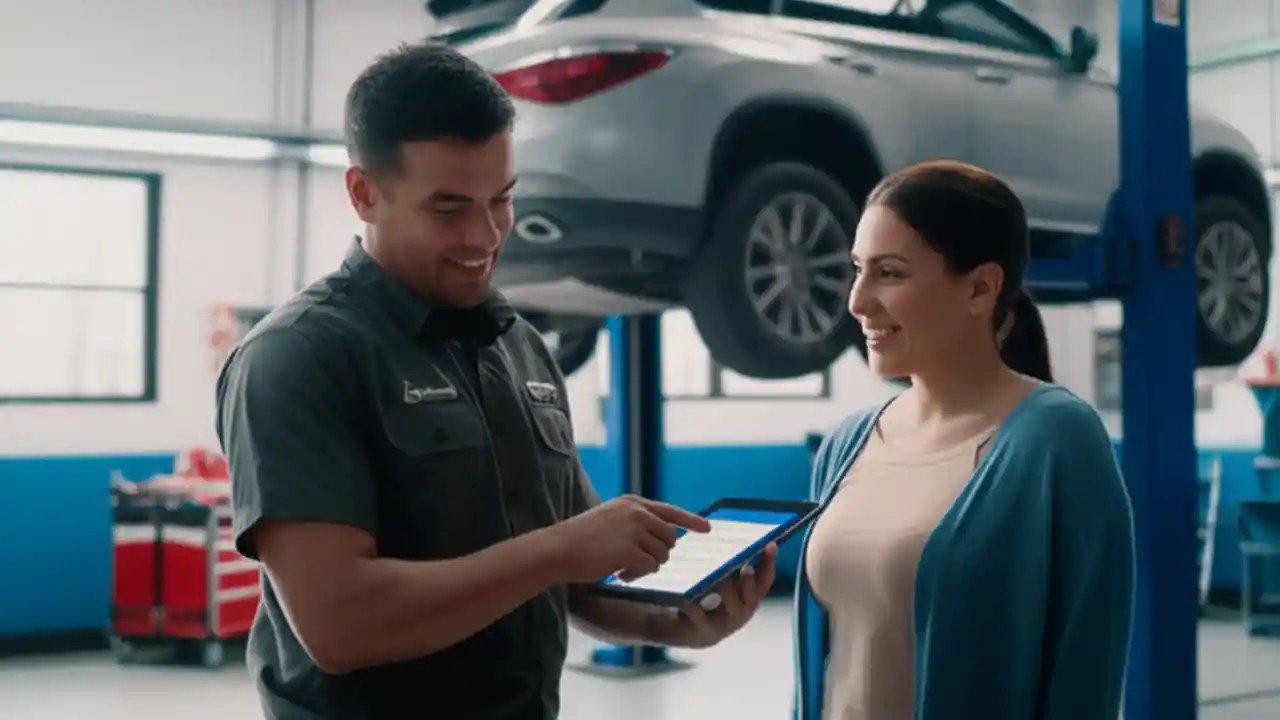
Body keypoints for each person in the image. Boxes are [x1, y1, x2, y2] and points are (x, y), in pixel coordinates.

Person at [215, 41, 774, 720]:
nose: (485, 236)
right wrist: (559, 549)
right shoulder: (297, 358)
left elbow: (577, 582)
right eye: (449, 209)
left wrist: (679, 620)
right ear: (364, 194)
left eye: (502, 199)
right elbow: (339, 624)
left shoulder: (518, 348)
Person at [791, 160, 1136, 720]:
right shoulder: (846, 444)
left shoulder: (1055, 440)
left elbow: (1086, 671)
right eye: (857, 269)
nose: (857, 301)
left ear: (980, 289)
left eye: (889, 273)